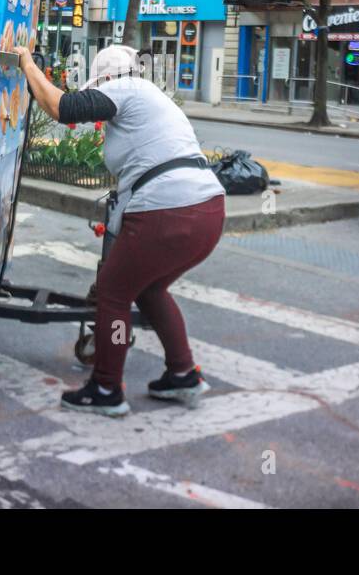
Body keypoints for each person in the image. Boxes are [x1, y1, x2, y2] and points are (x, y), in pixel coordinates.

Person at [14, 42, 226, 416]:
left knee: (113, 294)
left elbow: (62, 108)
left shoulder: (125, 87)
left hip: (169, 210)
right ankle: (183, 374)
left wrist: (27, 64)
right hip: (206, 210)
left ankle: (106, 388)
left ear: (107, 78)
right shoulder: (150, 100)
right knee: (149, 289)